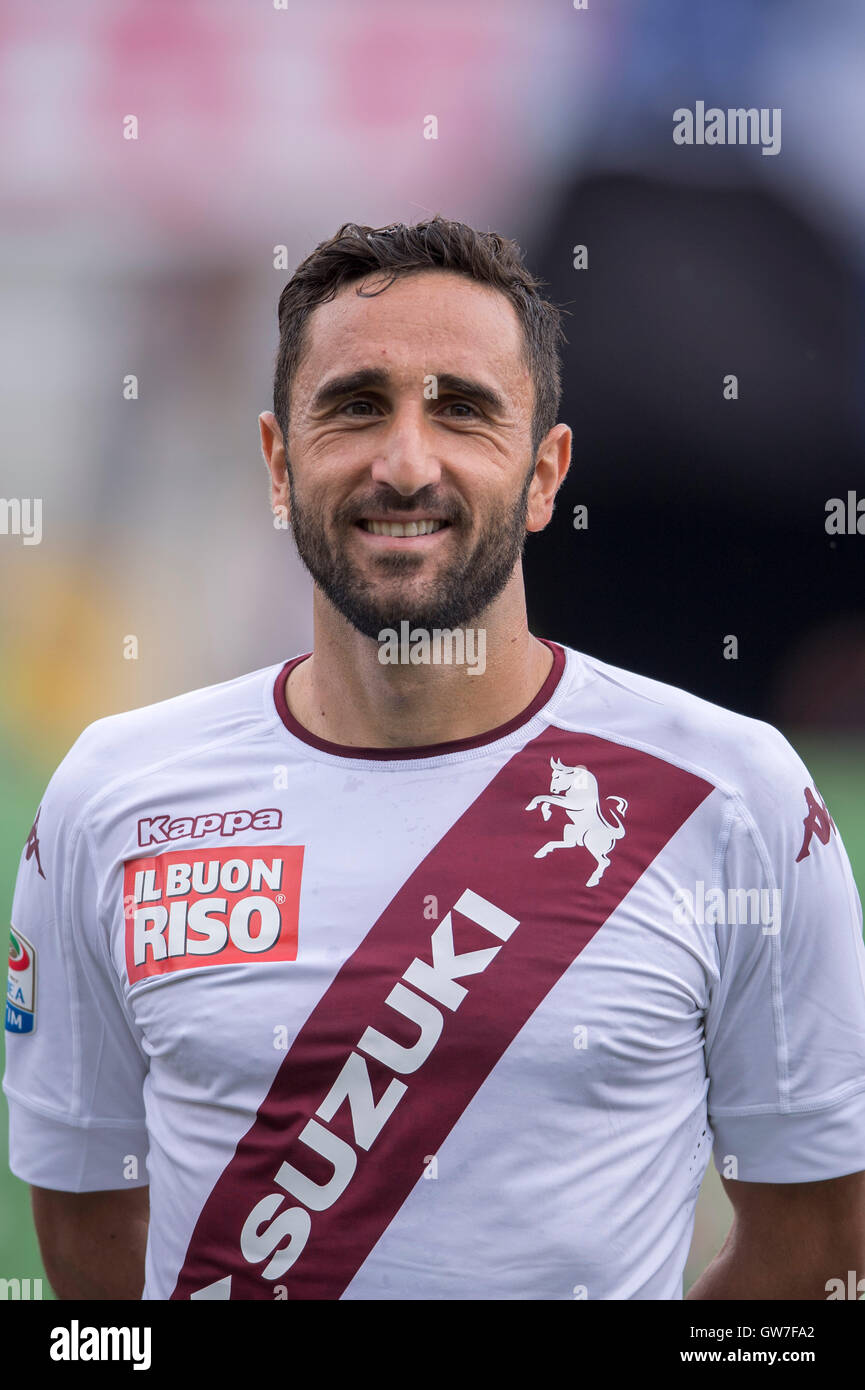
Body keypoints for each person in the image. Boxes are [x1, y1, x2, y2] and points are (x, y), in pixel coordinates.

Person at [5, 216, 865, 1301]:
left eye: (462, 409)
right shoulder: (112, 794)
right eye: (356, 405)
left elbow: (819, 1242)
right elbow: (86, 1224)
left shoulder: (736, 796)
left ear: (545, 473)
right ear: (278, 464)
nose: (406, 462)